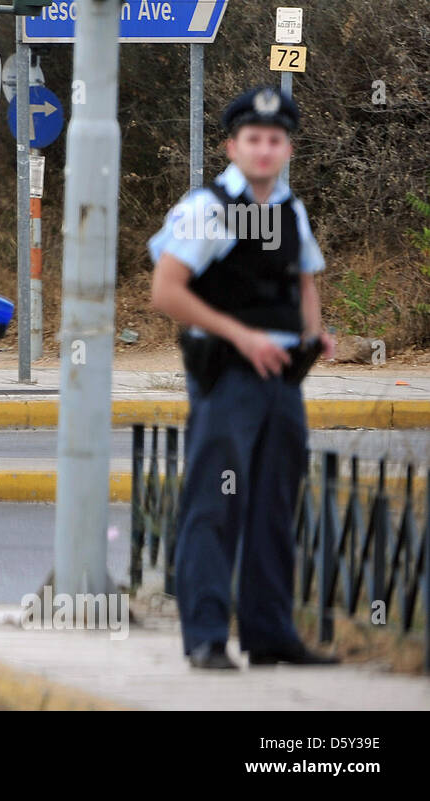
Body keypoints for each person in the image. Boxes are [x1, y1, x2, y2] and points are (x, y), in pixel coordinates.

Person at [149, 86, 338, 669]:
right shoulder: (210, 208)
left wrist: (314, 334)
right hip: (228, 378)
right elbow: (167, 291)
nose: (264, 149)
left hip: (281, 382)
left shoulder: (287, 209)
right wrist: (242, 337)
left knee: (273, 505)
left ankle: (269, 632)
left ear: (287, 148)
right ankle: (206, 635)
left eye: (275, 140)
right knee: (217, 501)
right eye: (253, 139)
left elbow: (302, 279)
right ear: (232, 146)